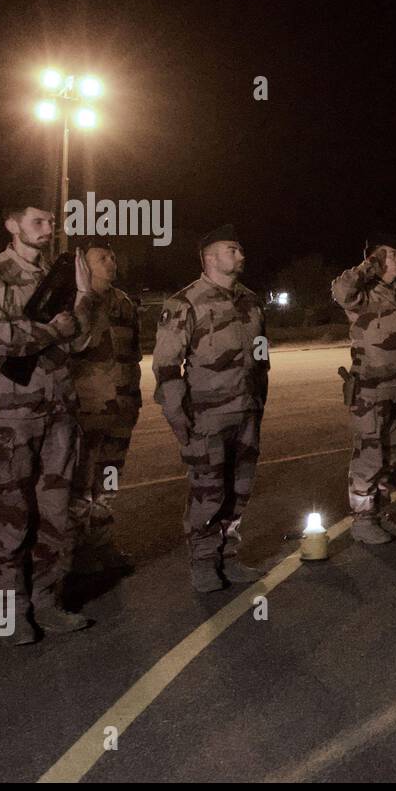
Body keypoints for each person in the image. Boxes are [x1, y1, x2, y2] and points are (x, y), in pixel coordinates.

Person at [0, 199, 105, 642]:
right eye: (38, 221)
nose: (48, 228)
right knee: (11, 519)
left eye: (52, 221)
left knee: (58, 515)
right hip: (12, 417)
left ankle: (47, 603)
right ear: (11, 225)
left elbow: (81, 341)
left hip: (59, 413)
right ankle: (11, 614)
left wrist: (84, 300)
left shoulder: (58, 275)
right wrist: (55, 330)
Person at [153, 225, 270, 591]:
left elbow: (262, 357)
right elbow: (167, 368)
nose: (240, 255)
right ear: (210, 258)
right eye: (232, 249)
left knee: (240, 489)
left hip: (246, 411)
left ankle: (229, 556)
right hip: (207, 416)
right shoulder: (183, 304)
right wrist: (178, 419)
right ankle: (203, 561)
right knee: (208, 492)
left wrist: (259, 404)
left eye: (240, 249)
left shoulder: (251, 301)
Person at [330, 236, 396, 545]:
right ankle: (363, 521)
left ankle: (379, 514)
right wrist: (368, 265)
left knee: (389, 457)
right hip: (370, 389)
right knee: (370, 455)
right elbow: (340, 290)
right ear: (378, 261)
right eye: (393, 255)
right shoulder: (363, 293)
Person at [69, 245, 142, 562]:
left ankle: (101, 545)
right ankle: (72, 553)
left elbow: (133, 355)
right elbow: (70, 345)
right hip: (87, 410)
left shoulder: (123, 302)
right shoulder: (75, 301)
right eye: (102, 258)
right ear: (83, 265)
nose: (111, 262)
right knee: (79, 482)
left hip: (122, 409)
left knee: (109, 479)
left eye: (113, 257)